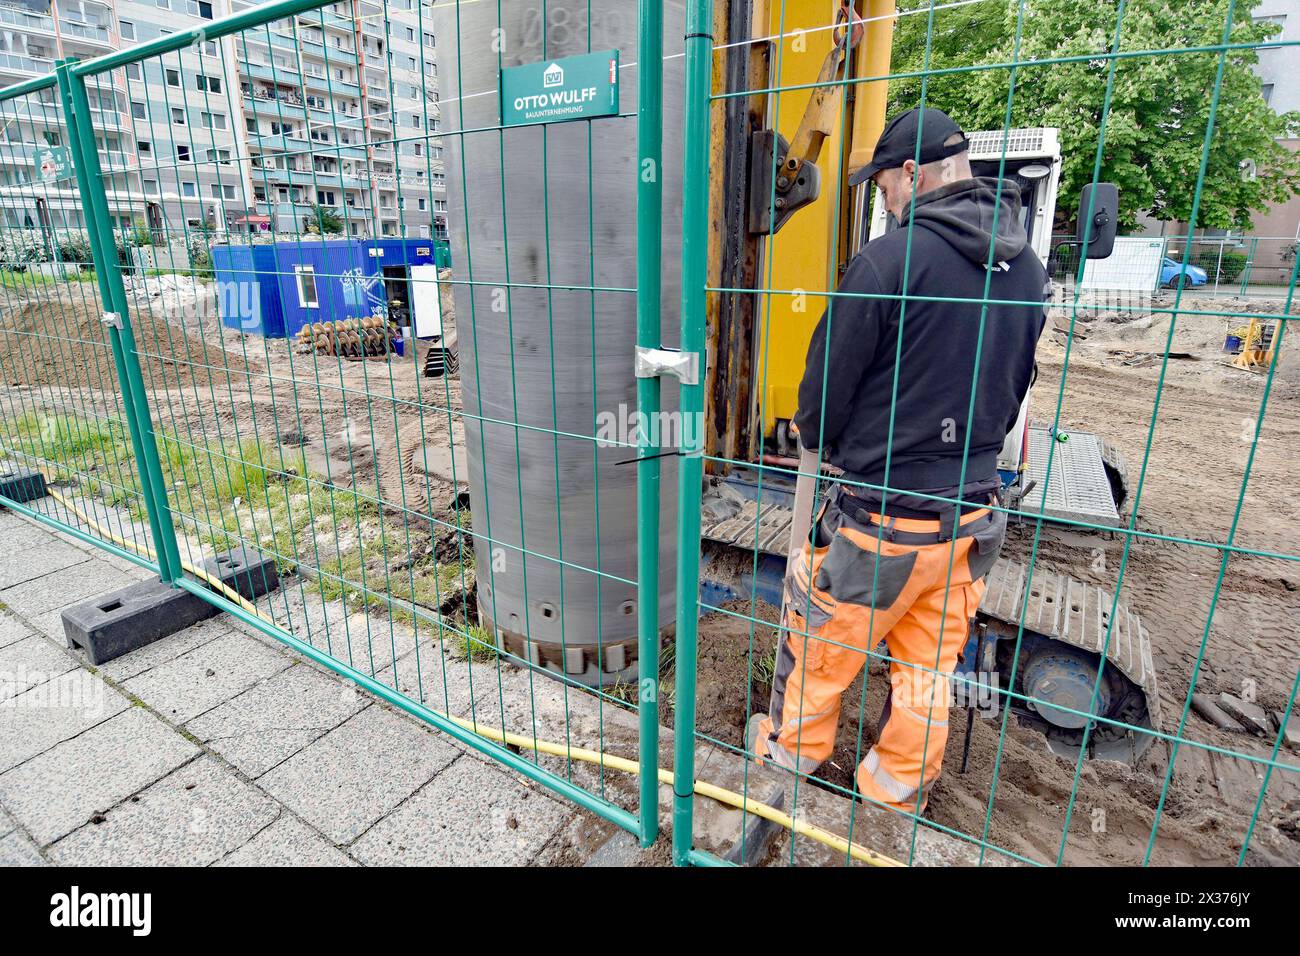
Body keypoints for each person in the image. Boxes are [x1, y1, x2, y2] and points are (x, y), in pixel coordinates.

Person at [749, 107, 1049, 814]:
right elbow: (1013, 393)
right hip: (973, 517)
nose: (883, 201)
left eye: (882, 186)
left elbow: (820, 399)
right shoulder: (1027, 265)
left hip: (883, 520)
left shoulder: (889, 260)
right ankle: (896, 787)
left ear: (912, 173)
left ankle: (789, 760)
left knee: (822, 646)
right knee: (926, 667)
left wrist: (826, 436)